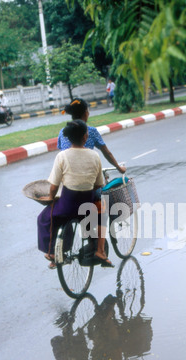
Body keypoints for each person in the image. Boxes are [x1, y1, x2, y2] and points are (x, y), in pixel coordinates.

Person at [38, 120, 114, 269]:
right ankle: (100, 251)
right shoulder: (94, 156)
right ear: (85, 136)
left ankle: (52, 253)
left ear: (68, 138)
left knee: (44, 218)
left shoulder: (62, 156)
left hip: (68, 206)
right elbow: (98, 185)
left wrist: (50, 198)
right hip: (87, 205)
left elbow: (53, 186)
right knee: (101, 212)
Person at [57, 98, 125, 174]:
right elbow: (107, 153)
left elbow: (62, 150)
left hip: (68, 177)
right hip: (87, 175)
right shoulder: (90, 131)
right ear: (86, 113)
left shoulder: (63, 132)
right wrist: (119, 168)